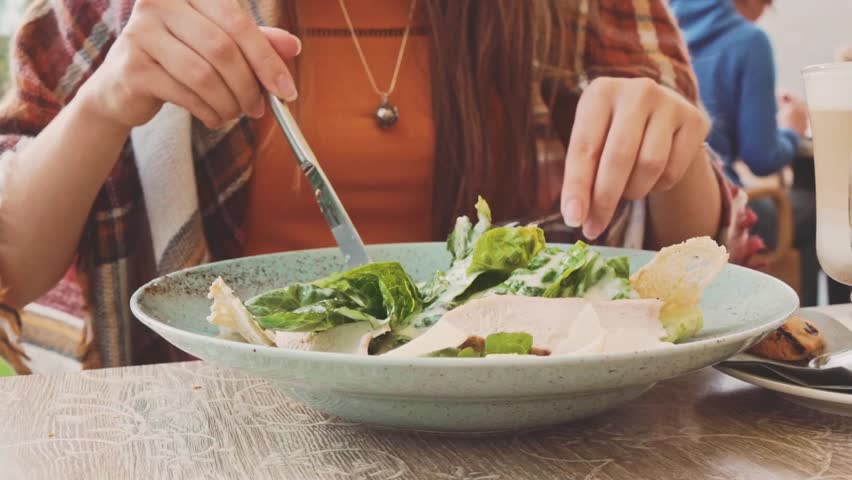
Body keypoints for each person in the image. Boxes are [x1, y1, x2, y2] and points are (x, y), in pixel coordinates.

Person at [0, 0, 754, 373]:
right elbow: (12, 270)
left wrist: (675, 153)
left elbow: (710, 261)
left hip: (530, 431)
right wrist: (104, 101)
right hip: (207, 427)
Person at [670, 0, 826, 306]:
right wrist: (792, 129)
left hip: (660, 208)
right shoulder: (749, 41)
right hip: (719, 207)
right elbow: (761, 157)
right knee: (815, 210)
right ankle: (814, 327)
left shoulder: (662, 25)